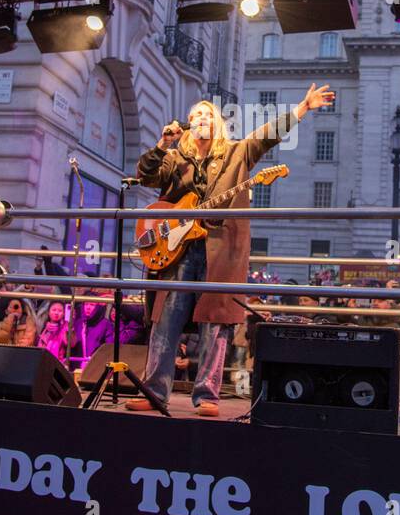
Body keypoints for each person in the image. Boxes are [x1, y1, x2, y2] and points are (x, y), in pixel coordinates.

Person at [127, 85, 336, 416]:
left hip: (220, 250)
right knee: (166, 321)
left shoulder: (237, 153)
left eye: (207, 114)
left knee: (216, 321)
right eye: (195, 115)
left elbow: (268, 135)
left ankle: (207, 395)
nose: (201, 118)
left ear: (217, 123)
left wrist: (302, 108)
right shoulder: (174, 159)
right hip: (176, 251)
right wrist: (162, 144)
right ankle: (154, 392)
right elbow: (146, 176)